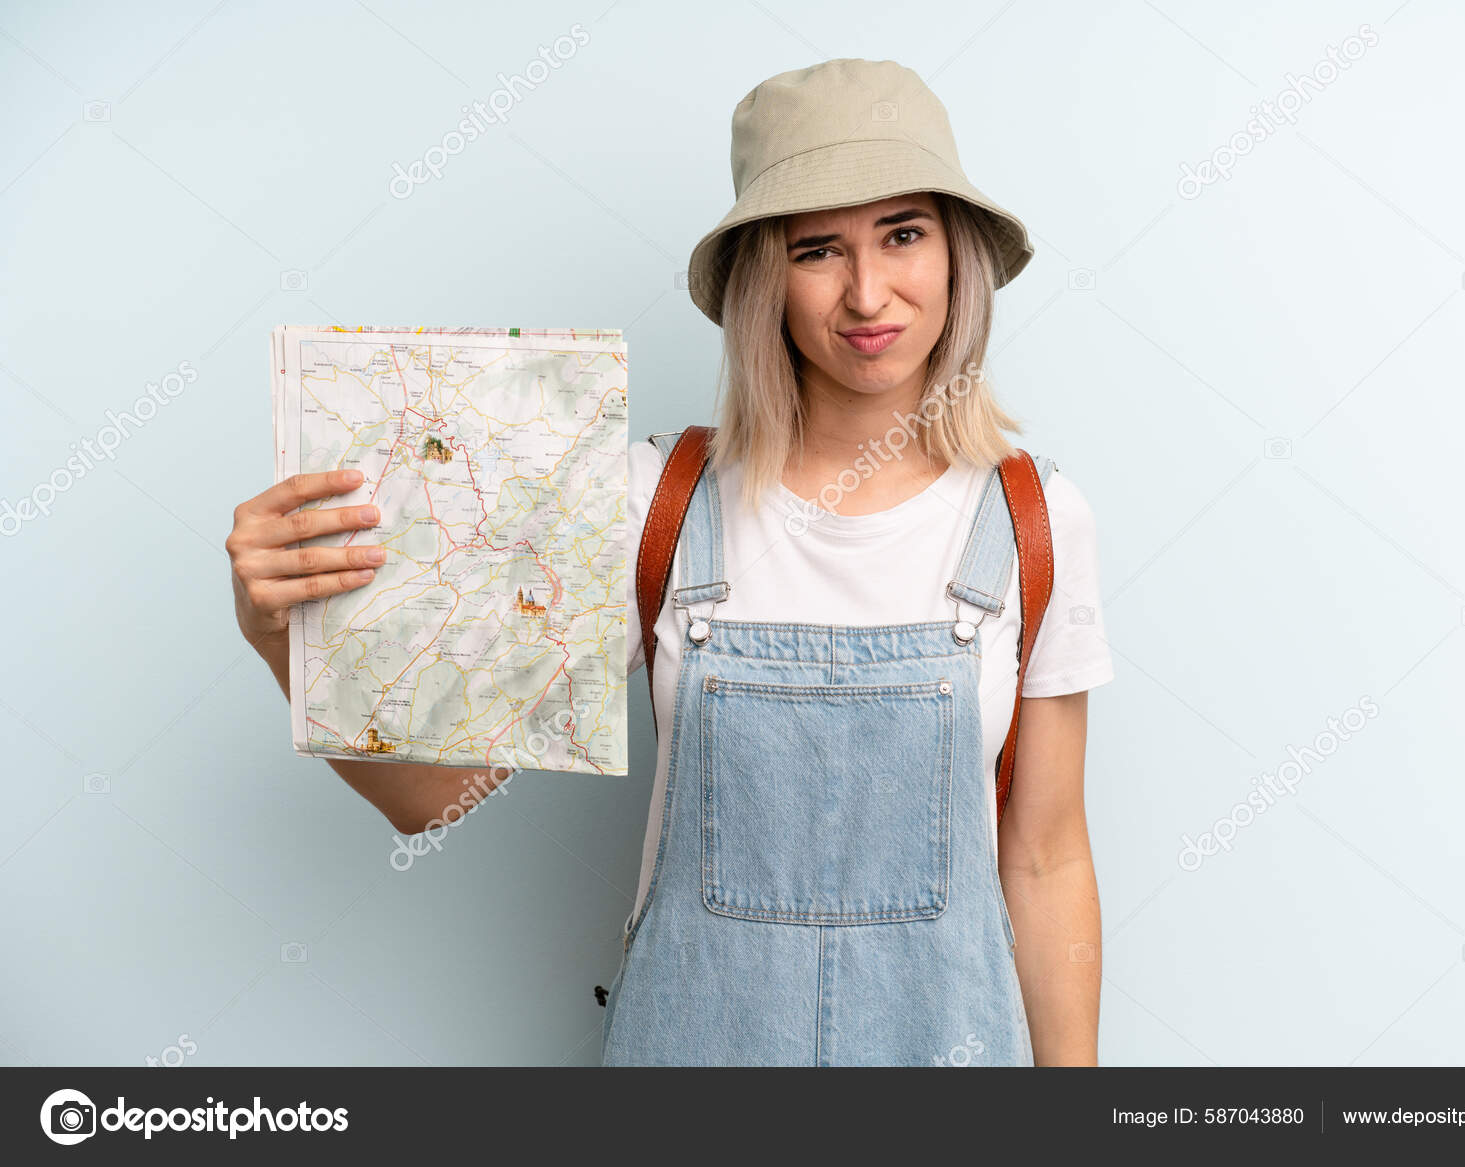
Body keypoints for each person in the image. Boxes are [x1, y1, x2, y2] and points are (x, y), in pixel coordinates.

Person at [226, 57, 1113, 1067]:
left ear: (956, 255)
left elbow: (1043, 861)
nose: (868, 292)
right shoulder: (650, 503)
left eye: (902, 234)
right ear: (761, 283)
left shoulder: (1034, 522)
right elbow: (434, 799)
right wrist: (286, 643)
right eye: (817, 249)